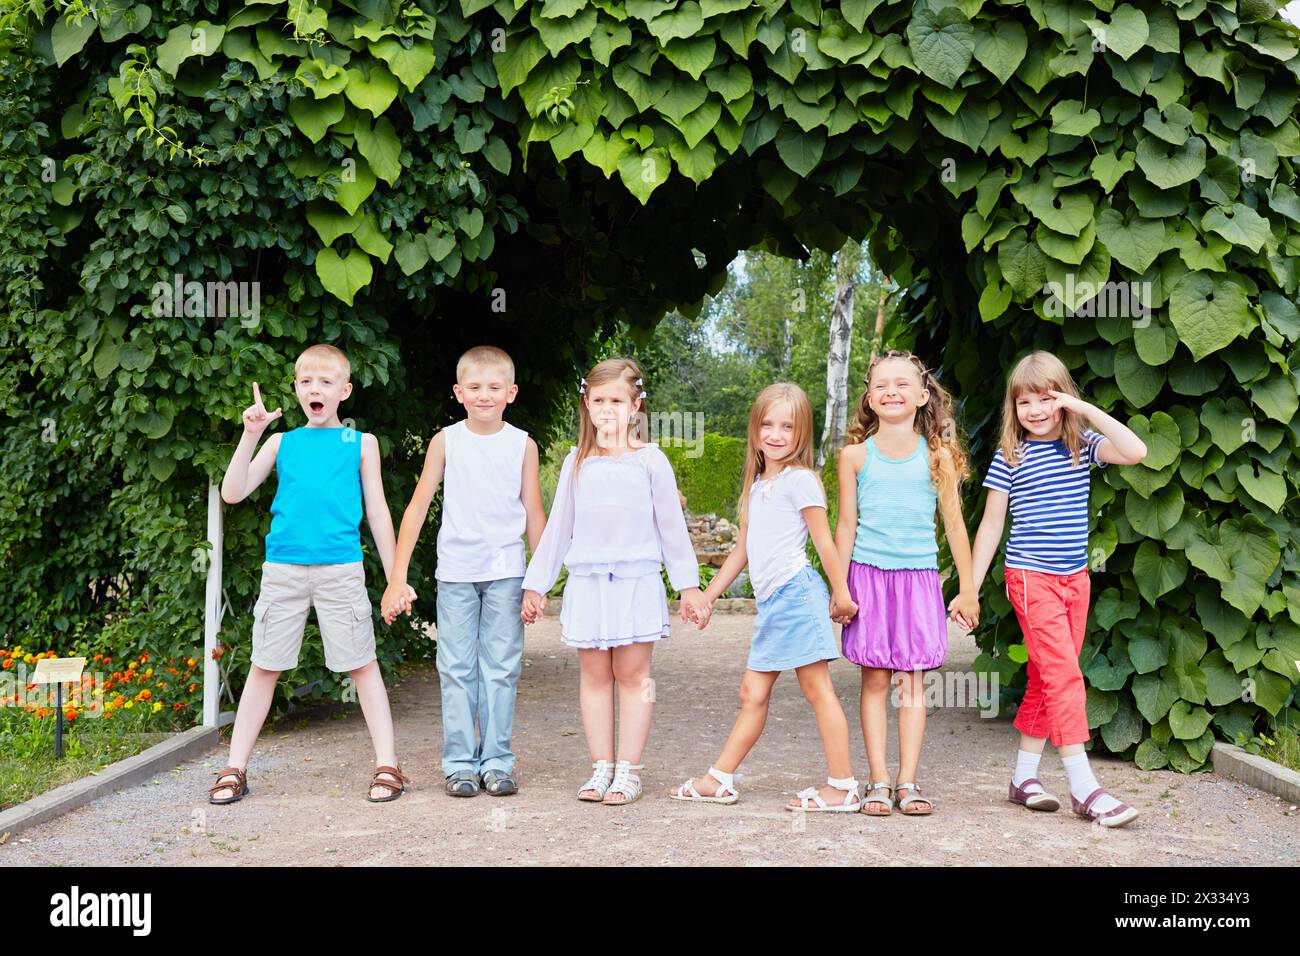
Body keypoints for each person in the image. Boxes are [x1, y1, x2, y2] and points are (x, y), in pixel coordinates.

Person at [210, 344, 413, 805]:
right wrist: (250, 434)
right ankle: (234, 768)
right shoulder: (281, 442)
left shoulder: (361, 443)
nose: (314, 389)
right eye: (306, 382)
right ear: (297, 390)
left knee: (362, 664)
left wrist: (395, 579)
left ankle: (388, 764)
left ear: (345, 391)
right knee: (265, 665)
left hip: (341, 570)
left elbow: (379, 513)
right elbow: (233, 492)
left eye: (325, 382)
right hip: (283, 570)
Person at [971, 350, 1148, 828]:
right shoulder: (1011, 456)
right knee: (1065, 677)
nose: (1035, 410)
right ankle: (1085, 788)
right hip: (1030, 578)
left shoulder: (1081, 446)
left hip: (1075, 579)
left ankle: (1023, 778)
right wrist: (970, 588)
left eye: (1046, 399)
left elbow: (1136, 451)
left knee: (1046, 678)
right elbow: (992, 524)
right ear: (1013, 408)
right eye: (1024, 401)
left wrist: (1084, 410)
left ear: (1063, 399)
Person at [520, 357, 708, 806]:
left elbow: (671, 528)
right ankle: (601, 766)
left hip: (636, 581)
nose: (607, 409)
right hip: (588, 582)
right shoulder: (577, 461)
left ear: (636, 405)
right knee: (594, 675)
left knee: (633, 675)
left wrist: (688, 585)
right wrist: (536, 583)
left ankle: (629, 770)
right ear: (586, 404)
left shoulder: (651, 461)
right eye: (599, 400)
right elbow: (558, 527)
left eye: (617, 401)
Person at [670, 383, 862, 812]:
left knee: (817, 689)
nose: (776, 434)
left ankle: (843, 786)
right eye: (768, 425)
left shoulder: (801, 481)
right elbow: (743, 550)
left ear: (802, 432)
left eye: (787, 427)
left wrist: (842, 592)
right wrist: (707, 597)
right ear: (755, 428)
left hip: (797, 595)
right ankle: (718, 779)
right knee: (752, 692)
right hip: (775, 603)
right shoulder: (757, 484)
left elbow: (824, 542)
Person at [381, 346, 546, 798]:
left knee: (501, 668)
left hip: (507, 572)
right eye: (474, 387)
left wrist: (539, 581)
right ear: (458, 392)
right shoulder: (446, 441)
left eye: (494, 387)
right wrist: (397, 578)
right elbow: (417, 508)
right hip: (455, 572)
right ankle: (459, 764)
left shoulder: (523, 445)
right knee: (455, 668)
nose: (484, 395)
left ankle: (497, 761)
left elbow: (534, 511)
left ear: (511, 392)